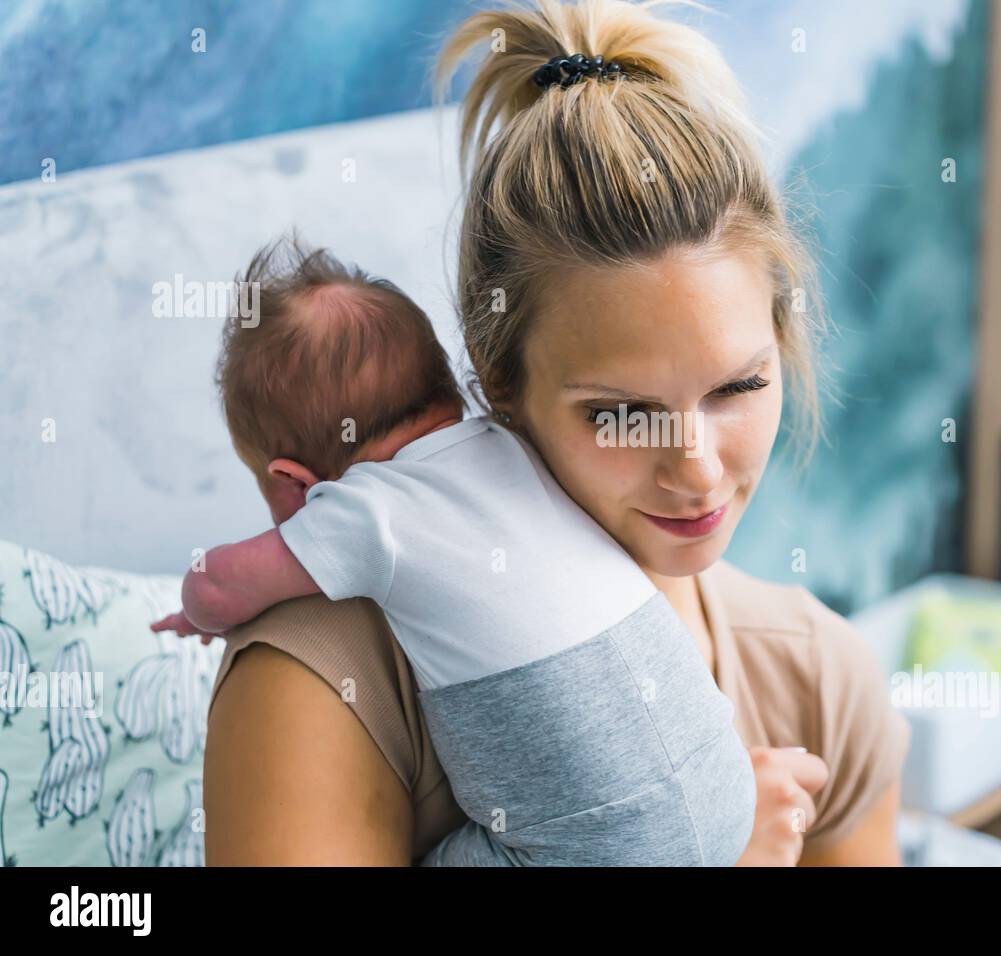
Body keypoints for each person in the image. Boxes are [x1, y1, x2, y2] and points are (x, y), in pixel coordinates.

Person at [204, 0, 910, 866]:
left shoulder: (820, 679)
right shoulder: (326, 676)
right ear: (497, 381)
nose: (695, 469)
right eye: (620, 412)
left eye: (738, 386)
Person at [161, 236, 756, 866]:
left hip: (598, 850)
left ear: (294, 482)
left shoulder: (363, 510)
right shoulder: (522, 447)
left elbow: (219, 583)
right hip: (728, 780)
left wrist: (197, 613)